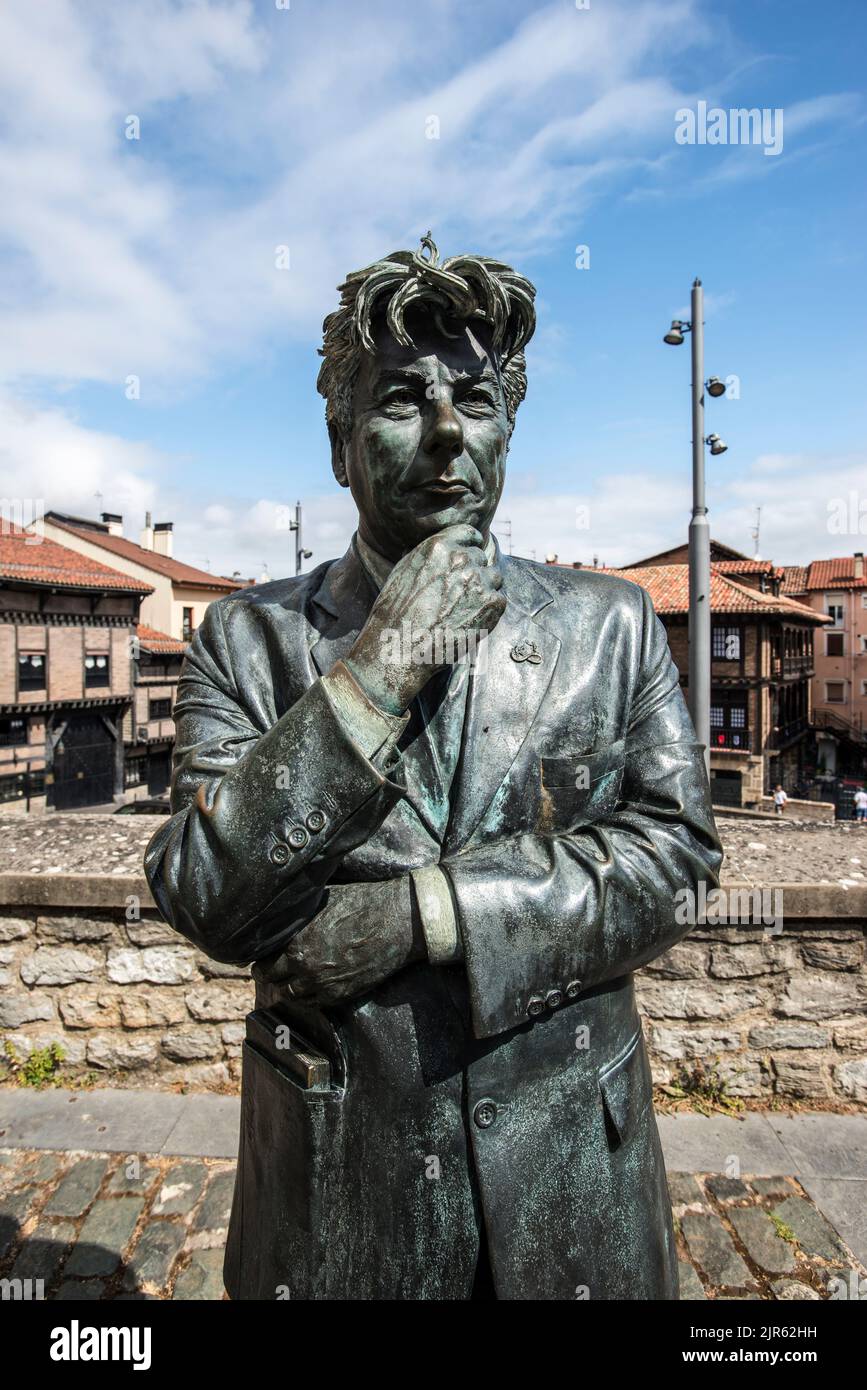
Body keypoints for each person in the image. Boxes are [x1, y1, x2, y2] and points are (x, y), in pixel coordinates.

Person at [144, 236, 723, 1301]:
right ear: (340, 439)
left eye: (479, 400)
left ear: (509, 429)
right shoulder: (246, 639)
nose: (449, 432)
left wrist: (428, 913)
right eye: (405, 399)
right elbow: (204, 896)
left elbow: (679, 857)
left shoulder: (614, 623)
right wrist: (376, 672)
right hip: (339, 1198)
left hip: (575, 1189)